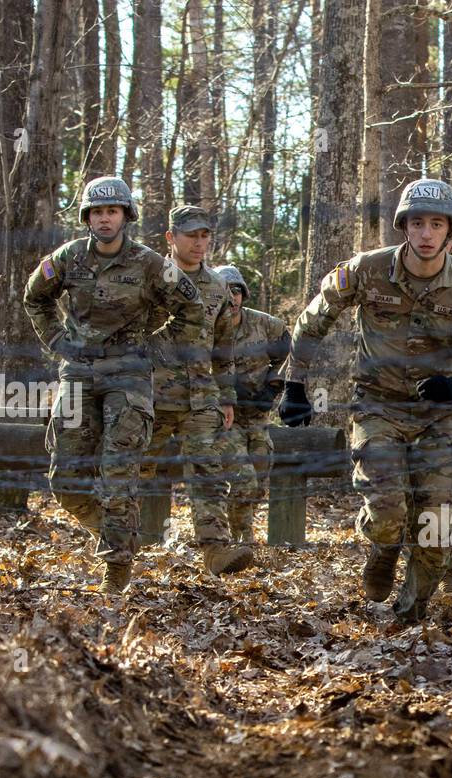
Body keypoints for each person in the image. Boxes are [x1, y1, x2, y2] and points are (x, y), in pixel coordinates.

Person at [278, 179, 452, 622]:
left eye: (436, 224)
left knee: (437, 522)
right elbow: (313, 321)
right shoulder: (366, 269)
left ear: (451, 232)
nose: (425, 233)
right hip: (378, 406)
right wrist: (295, 384)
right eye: (417, 223)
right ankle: (383, 550)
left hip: (439, 413)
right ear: (404, 227)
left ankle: (410, 614)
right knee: (388, 513)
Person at [24, 176, 206, 592]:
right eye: (97, 212)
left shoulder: (150, 264)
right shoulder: (68, 257)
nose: (105, 219)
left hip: (128, 375)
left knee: (119, 470)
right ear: (88, 217)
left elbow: (192, 309)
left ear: (125, 215)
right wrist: (57, 341)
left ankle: (117, 566)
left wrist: (155, 348)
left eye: (112, 211)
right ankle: (112, 534)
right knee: (66, 482)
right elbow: (36, 298)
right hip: (78, 371)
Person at [137, 205, 254, 576]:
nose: (199, 243)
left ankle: (215, 550)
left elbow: (224, 350)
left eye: (205, 235)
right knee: (133, 469)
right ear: (171, 238)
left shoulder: (218, 286)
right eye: (191, 235)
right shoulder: (151, 280)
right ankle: (117, 549)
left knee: (207, 471)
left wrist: (228, 397)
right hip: (151, 394)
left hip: (201, 397)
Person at [211, 265, 292, 545]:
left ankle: (239, 527)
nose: (231, 298)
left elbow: (290, 354)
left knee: (259, 472)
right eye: (224, 292)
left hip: (257, 414)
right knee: (243, 477)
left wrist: (272, 387)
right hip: (222, 418)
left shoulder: (266, 325)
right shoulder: (205, 327)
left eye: (236, 292)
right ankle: (241, 537)